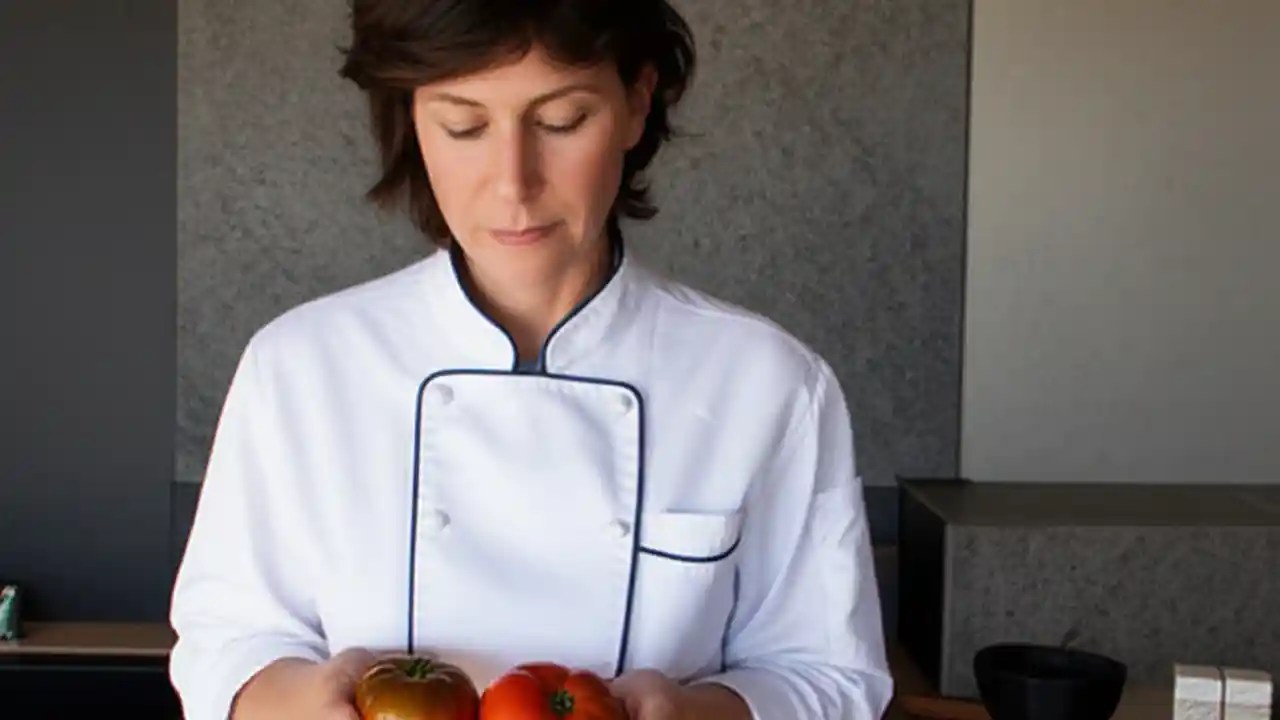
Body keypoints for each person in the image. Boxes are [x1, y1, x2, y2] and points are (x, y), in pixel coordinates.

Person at [168, 1, 893, 718]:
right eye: (464, 126)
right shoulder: (300, 366)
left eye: (561, 121)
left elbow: (830, 677)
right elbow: (226, 641)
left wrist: (690, 713)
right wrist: (306, 703)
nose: (513, 183)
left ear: (637, 103)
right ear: (411, 117)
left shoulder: (768, 381)